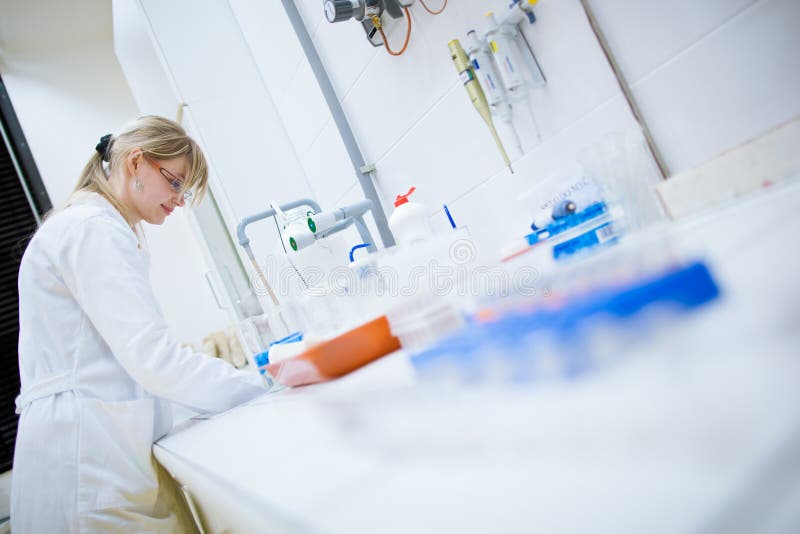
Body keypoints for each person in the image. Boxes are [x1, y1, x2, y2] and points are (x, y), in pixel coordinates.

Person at [11, 116, 267, 532]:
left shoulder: (93, 227)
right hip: (86, 464)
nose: (179, 199)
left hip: (95, 455)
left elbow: (134, 362)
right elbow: (154, 360)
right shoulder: (92, 229)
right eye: (176, 182)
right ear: (136, 163)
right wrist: (263, 389)